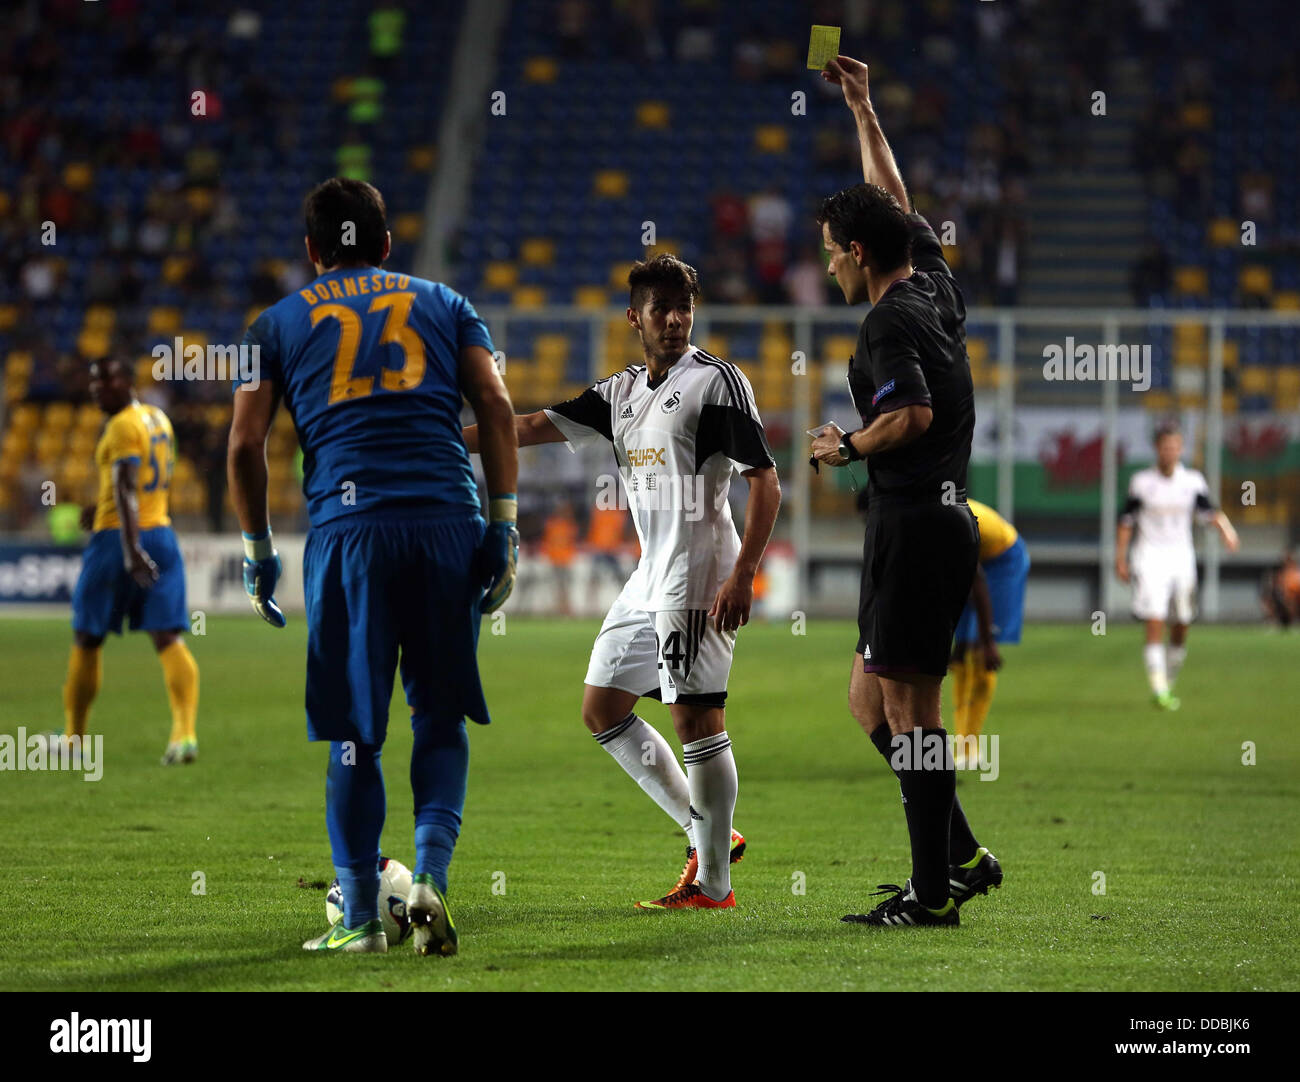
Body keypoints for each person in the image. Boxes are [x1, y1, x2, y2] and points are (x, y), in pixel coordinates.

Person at [228, 178, 518, 955]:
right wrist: (505, 525)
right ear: (388, 245)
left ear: (310, 252)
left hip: (351, 535)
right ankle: (428, 879)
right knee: (440, 716)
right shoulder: (448, 304)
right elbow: (493, 405)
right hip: (446, 526)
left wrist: (258, 550)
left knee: (355, 736)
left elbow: (241, 445)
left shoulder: (272, 325)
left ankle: (359, 917)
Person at [464, 254, 781, 910]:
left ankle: (714, 884)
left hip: (699, 571)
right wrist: (438, 438)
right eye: (660, 308)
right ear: (634, 317)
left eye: (684, 307)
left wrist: (745, 573)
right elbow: (524, 428)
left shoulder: (716, 383)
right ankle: (706, 829)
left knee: (697, 717)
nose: (674, 319)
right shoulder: (620, 393)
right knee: (603, 707)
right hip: (649, 576)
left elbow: (765, 480)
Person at [810, 55, 1000, 928]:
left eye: (830, 253)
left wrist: (847, 442)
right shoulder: (932, 286)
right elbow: (896, 207)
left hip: (918, 525)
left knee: (912, 710)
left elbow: (913, 416)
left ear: (855, 254)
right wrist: (864, 109)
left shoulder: (887, 319)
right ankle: (957, 854)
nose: (827, 268)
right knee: (869, 700)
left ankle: (932, 895)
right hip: (928, 526)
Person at [60, 355, 199, 766]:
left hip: (118, 540)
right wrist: (98, 505)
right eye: (93, 383)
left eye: (105, 382)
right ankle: (185, 735)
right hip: (163, 534)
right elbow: (135, 485)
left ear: (126, 382)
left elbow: (125, 488)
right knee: (169, 637)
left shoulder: (120, 426)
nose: (96, 390)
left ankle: (74, 739)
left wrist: (129, 548)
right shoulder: (158, 417)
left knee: (88, 636)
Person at [1116, 421, 1239, 710]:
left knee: (1182, 622)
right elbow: (1126, 522)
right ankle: (1159, 688)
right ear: (1157, 448)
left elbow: (1210, 513)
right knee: (1154, 617)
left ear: (1181, 449)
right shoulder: (1141, 483)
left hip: (1181, 557)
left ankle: (1168, 680)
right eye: (1165, 446)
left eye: (1175, 446)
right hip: (1148, 557)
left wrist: (1228, 532)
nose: (1170, 451)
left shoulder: (1193, 481)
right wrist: (1120, 558)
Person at [949, 499, 1030, 765]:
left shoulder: (951, 520)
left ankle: (972, 747)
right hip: (977, 561)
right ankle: (961, 743)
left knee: (979, 652)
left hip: (1004, 561)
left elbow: (978, 582)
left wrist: (987, 641)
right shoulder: (928, 512)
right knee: (959, 657)